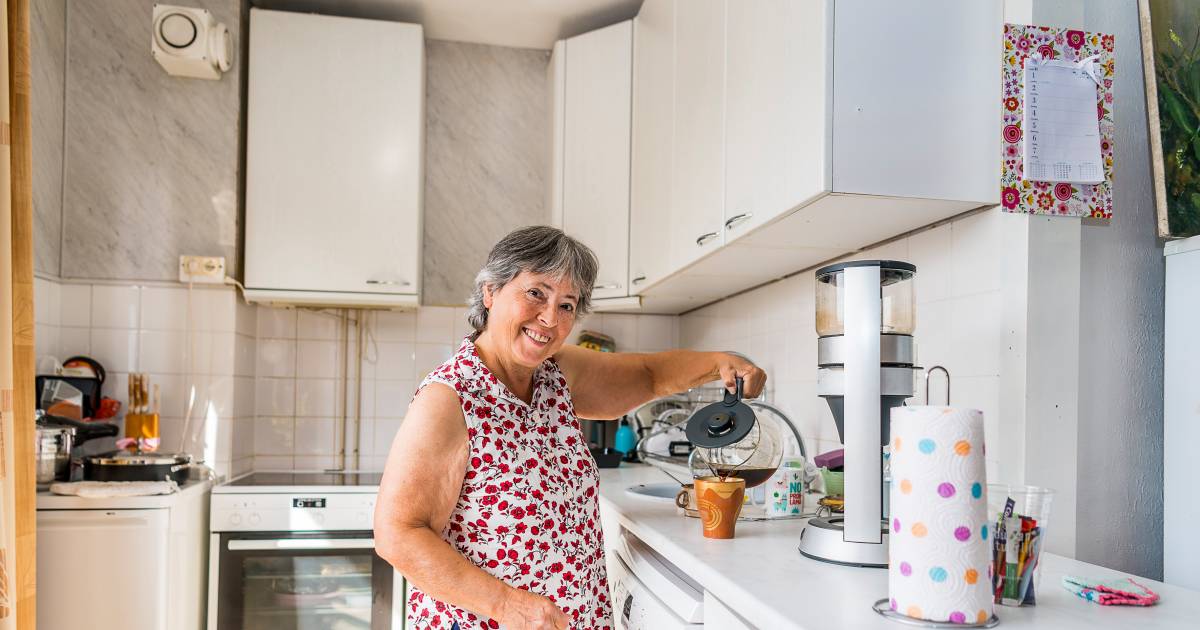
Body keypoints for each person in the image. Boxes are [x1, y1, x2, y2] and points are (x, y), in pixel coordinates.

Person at [375, 226, 766, 630]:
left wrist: (721, 361)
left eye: (567, 305)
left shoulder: (555, 373)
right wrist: (508, 606)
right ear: (490, 292)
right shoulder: (450, 398)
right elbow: (398, 533)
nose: (549, 318)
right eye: (536, 293)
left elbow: (649, 375)